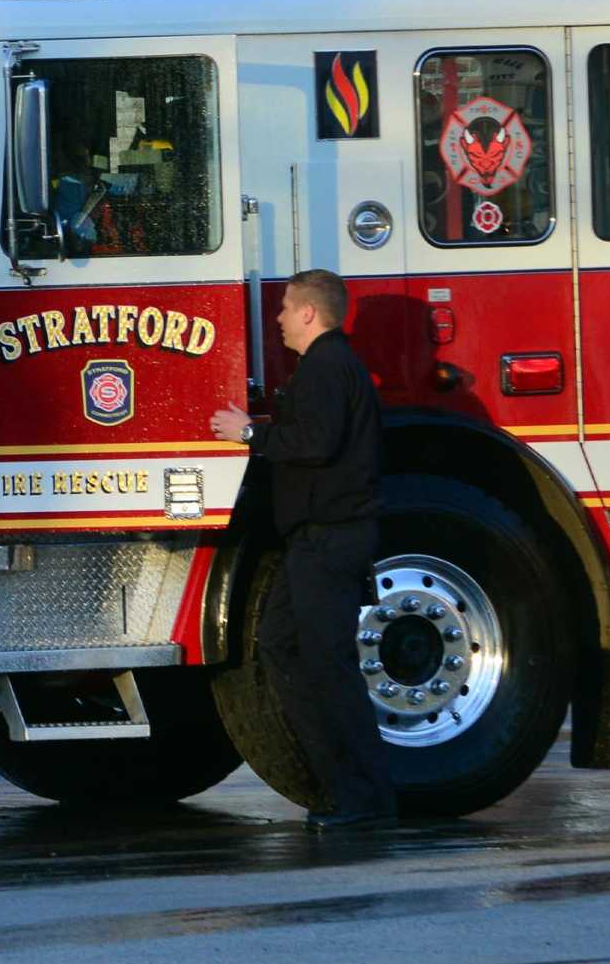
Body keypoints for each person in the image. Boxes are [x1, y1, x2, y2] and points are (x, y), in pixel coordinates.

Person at [211, 268, 394, 831]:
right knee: (279, 643)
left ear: (311, 313)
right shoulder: (327, 368)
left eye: (287, 308)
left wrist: (250, 435)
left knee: (330, 670)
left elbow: (315, 443)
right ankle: (337, 787)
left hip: (327, 539)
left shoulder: (325, 367)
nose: (279, 318)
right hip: (314, 540)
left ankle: (363, 797)